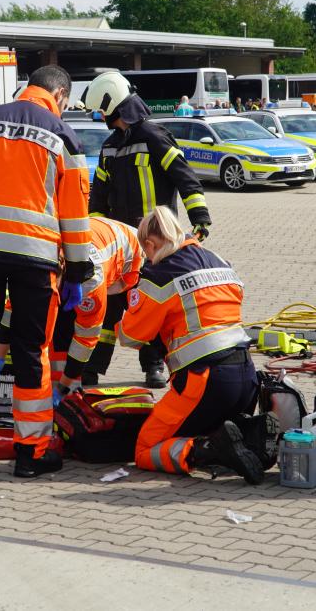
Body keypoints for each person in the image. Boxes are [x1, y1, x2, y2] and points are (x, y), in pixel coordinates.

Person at [0, 65, 92, 478]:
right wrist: (77, 268)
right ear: (59, 96)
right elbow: (74, 215)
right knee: (30, 352)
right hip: (36, 260)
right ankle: (31, 455)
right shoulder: (64, 137)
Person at [116, 207, 264, 484]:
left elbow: (132, 336)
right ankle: (250, 442)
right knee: (213, 428)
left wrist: (123, 314)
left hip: (205, 382)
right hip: (246, 377)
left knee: (145, 449)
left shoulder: (159, 274)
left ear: (150, 244)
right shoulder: (218, 259)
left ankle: (205, 451)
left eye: (145, 250)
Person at [84, 71, 212, 390]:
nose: (100, 116)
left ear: (111, 103)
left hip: (156, 242)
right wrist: (96, 236)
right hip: (120, 245)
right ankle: (92, 368)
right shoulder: (110, 146)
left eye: (101, 109)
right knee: (110, 307)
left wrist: (200, 216)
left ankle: (154, 364)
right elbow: (98, 197)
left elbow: (185, 177)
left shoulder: (155, 136)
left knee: (152, 303)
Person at [0, 216, 145, 391]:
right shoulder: (32, 266)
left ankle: (153, 365)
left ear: (58, 276)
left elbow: (86, 337)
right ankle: (60, 387)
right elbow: (13, 309)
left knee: (143, 321)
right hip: (95, 241)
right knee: (60, 328)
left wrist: (64, 388)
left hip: (133, 260)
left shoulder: (91, 281)